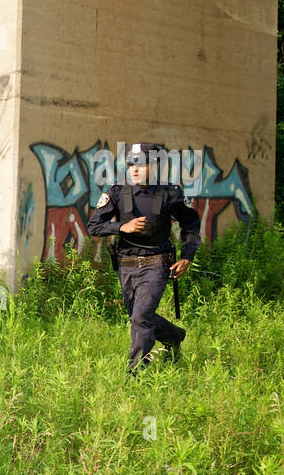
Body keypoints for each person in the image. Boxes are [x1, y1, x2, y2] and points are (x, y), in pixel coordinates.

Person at [85, 141, 201, 375]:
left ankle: (135, 374)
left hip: (157, 263)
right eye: (130, 164)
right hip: (126, 264)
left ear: (154, 166)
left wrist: (187, 257)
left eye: (141, 164)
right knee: (139, 317)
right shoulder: (117, 192)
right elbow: (94, 226)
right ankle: (174, 336)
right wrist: (121, 227)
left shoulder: (170, 193)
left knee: (141, 317)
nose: (134, 169)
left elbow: (191, 224)